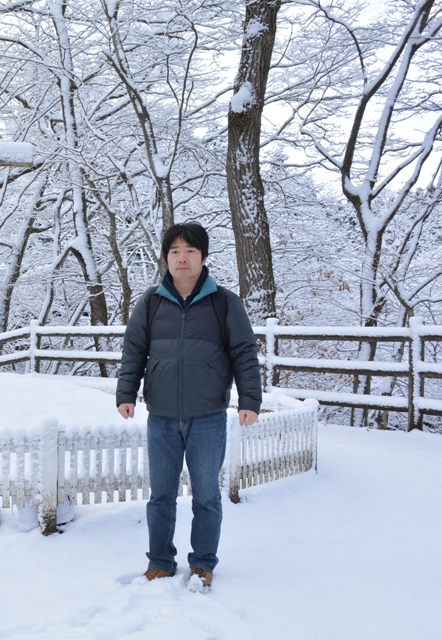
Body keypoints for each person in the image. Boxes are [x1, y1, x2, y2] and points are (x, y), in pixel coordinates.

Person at [116, 221, 262, 590]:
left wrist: (250, 400)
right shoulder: (150, 302)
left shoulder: (225, 303)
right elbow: (134, 350)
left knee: (207, 496)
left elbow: (244, 352)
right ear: (166, 257)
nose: (182, 258)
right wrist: (126, 393)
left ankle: (202, 564)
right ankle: (160, 562)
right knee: (161, 496)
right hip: (162, 416)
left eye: (190, 251)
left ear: (203, 257)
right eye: (175, 251)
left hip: (208, 416)